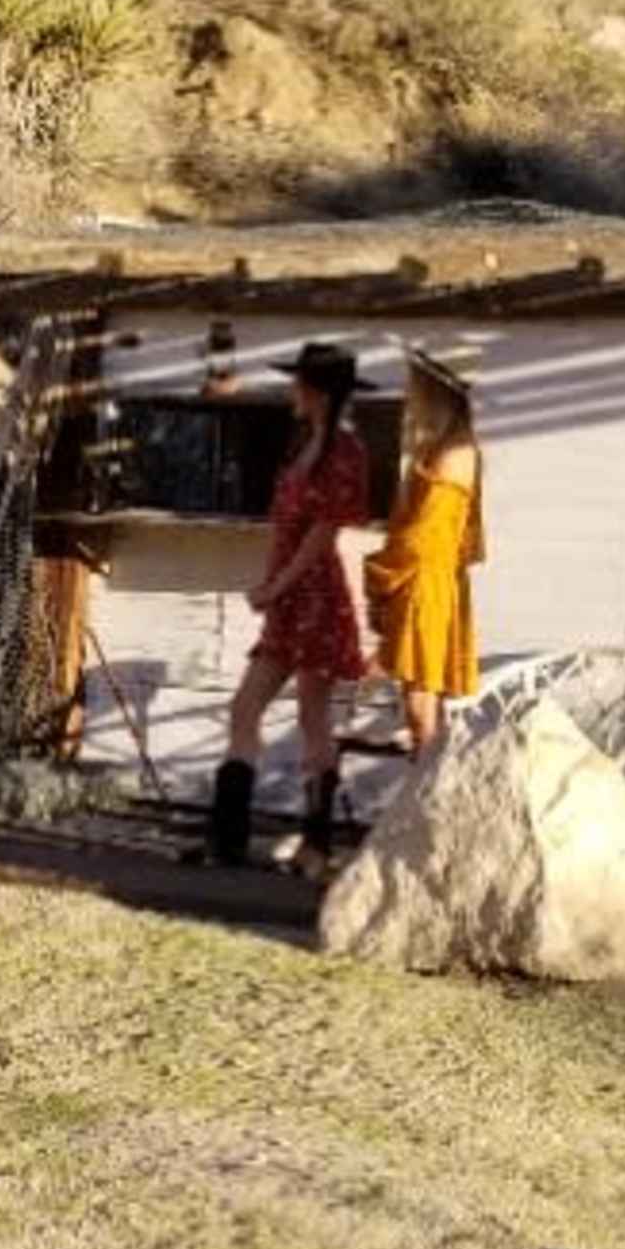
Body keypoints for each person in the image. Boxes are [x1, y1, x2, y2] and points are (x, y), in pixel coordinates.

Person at [202, 341, 372, 870]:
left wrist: (276, 588)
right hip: (288, 598)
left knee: (311, 716)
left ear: (316, 392)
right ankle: (228, 838)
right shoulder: (306, 442)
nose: (291, 392)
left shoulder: (344, 451)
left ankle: (315, 845)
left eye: (299, 384)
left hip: (314, 596)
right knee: (245, 707)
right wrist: (274, 588)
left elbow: (323, 533)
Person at [366, 362, 483, 756]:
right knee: (424, 698)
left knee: (421, 700)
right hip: (434, 579)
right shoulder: (450, 444)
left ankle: (425, 799)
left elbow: (421, 537)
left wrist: (379, 575)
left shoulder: (452, 452)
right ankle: (428, 791)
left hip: (424, 581)